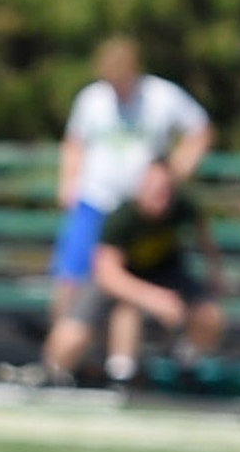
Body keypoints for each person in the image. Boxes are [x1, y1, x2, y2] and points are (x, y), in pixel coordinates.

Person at [48, 37, 214, 359]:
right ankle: (61, 359)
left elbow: (201, 131)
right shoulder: (93, 99)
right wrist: (68, 183)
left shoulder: (162, 96)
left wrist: (174, 174)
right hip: (96, 202)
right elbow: (74, 144)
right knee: (70, 282)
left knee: (130, 289)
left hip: (141, 212)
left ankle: (121, 365)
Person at [67, 158, 227, 384]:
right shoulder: (122, 217)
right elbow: (108, 274)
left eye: (165, 189)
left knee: (209, 314)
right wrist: (152, 298)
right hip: (124, 279)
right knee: (86, 329)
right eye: (154, 189)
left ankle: (188, 361)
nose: (160, 196)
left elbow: (207, 241)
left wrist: (216, 276)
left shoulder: (183, 208)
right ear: (142, 187)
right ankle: (114, 374)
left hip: (165, 274)